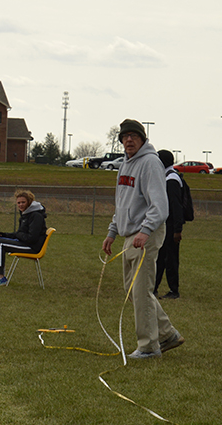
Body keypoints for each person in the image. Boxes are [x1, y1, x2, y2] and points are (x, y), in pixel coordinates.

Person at [102, 119, 184, 359]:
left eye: (133, 136)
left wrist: (145, 230)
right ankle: (167, 334)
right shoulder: (125, 165)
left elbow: (160, 206)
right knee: (133, 289)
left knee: (141, 290)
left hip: (145, 233)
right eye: (125, 136)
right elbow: (122, 203)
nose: (129, 140)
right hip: (130, 233)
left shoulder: (150, 163)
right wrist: (112, 231)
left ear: (142, 139)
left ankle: (149, 346)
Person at [0, 189, 48, 287]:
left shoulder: (36, 216)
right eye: (18, 203)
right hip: (26, 244)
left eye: (23, 202)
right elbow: (20, 233)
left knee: (0, 243)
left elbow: (31, 238)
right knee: (0, 241)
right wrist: (4, 235)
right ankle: (0, 277)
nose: (21, 205)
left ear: (29, 202)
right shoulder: (25, 215)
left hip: (33, 248)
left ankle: (0, 277)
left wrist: (18, 235)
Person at [154, 149, 184, 300]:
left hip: (171, 226)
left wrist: (177, 230)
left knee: (170, 259)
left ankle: (174, 291)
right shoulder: (166, 177)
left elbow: (176, 206)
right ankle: (153, 288)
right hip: (165, 225)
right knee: (160, 257)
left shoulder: (171, 179)